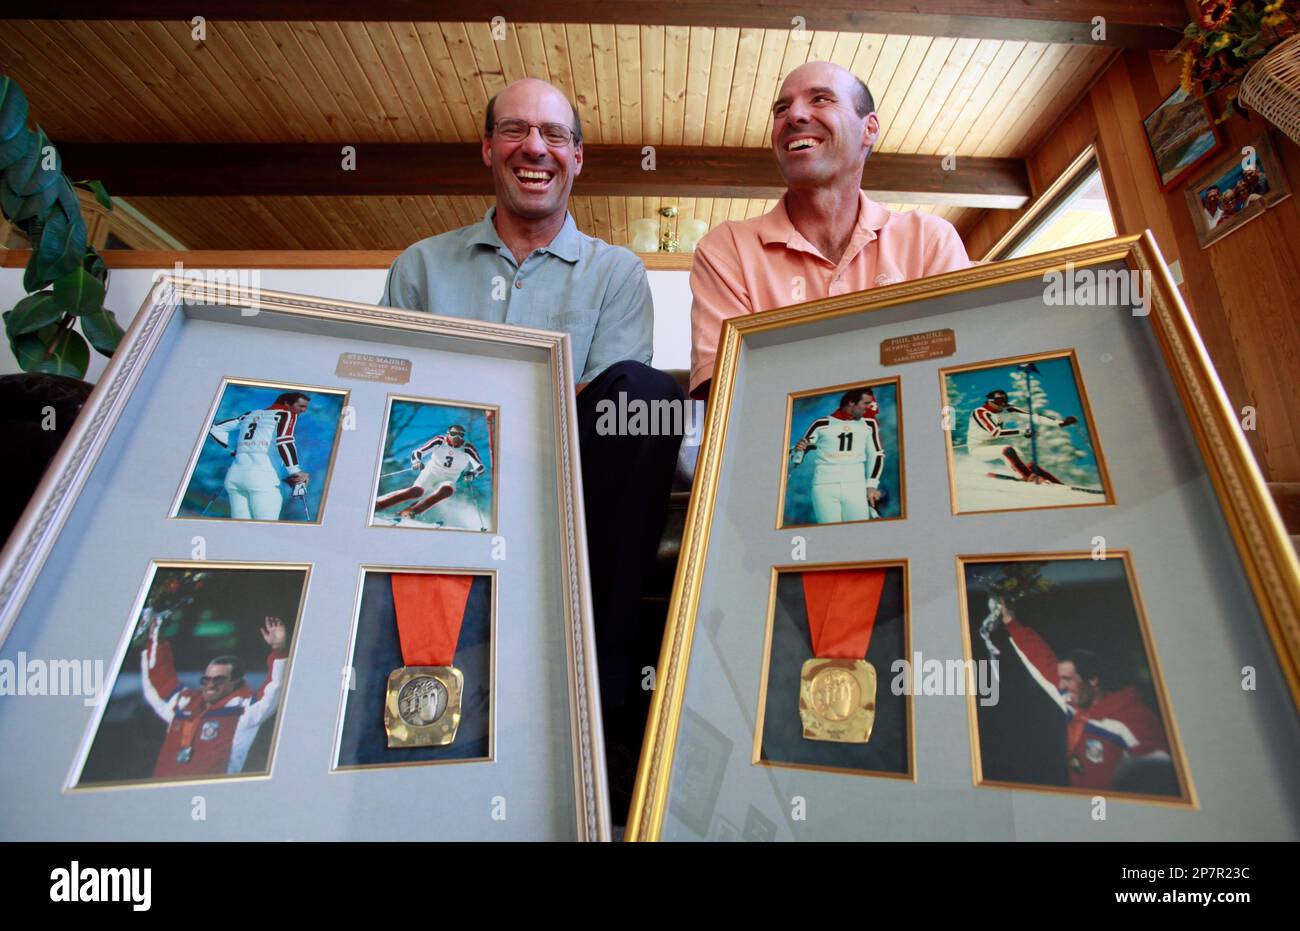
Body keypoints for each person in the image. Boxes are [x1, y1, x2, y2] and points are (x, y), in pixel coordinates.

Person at [379, 77, 684, 822]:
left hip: (576, 490)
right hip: (447, 481)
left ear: (578, 158)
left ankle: (600, 719)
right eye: (515, 130)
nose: (534, 147)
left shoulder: (617, 272)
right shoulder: (422, 265)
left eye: (553, 134)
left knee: (646, 395)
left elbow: (612, 409)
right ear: (489, 149)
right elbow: (395, 396)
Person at [689, 60, 971, 399]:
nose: (794, 115)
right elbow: (727, 401)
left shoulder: (929, 239)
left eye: (821, 99)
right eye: (781, 108)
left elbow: (954, 376)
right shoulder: (727, 248)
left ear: (869, 129)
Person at [981, 597, 1171, 792]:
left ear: (1092, 680)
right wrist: (1010, 622)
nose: (1061, 685)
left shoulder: (1131, 718)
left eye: (1068, 680)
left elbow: (1159, 775)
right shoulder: (1071, 698)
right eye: (1061, 679)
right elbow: (1041, 659)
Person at [140, 613, 288, 779]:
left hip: (211, 795)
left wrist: (279, 650)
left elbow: (275, 688)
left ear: (236, 682)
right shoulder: (184, 704)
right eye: (206, 680)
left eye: (218, 680)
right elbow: (159, 681)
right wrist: (155, 639)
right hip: (162, 794)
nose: (210, 685)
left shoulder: (246, 710)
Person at [208, 392, 311, 520]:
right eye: (301, 406)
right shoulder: (286, 414)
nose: (303, 410)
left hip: (235, 476)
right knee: (266, 528)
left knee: (240, 528)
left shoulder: (250, 414)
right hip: (263, 479)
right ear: (286, 404)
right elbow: (285, 441)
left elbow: (215, 428)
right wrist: (295, 472)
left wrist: (234, 449)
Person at [791, 387, 884, 523]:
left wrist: (872, 485)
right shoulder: (821, 424)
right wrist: (799, 449)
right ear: (851, 403)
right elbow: (799, 454)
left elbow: (876, 454)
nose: (870, 407)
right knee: (828, 535)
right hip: (824, 487)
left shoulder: (869, 424)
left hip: (855, 486)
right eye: (866, 403)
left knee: (858, 534)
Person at [374, 423, 485, 522]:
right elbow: (418, 452)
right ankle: (379, 503)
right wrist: (416, 461)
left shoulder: (467, 448)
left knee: (448, 490)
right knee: (416, 492)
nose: (456, 437)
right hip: (432, 472)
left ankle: (411, 511)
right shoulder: (440, 441)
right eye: (453, 433)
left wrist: (472, 473)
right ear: (448, 434)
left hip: (449, 477)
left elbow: (480, 467)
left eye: (460, 435)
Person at [965, 389, 1076, 484]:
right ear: (990, 401)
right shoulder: (980, 412)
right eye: (999, 401)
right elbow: (996, 432)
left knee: (1025, 460)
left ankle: (1055, 483)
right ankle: (1028, 477)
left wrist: (1059, 423)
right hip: (978, 448)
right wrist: (1024, 431)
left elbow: (1033, 417)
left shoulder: (1007, 409)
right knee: (1007, 450)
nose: (1003, 404)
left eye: (1005, 400)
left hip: (994, 444)